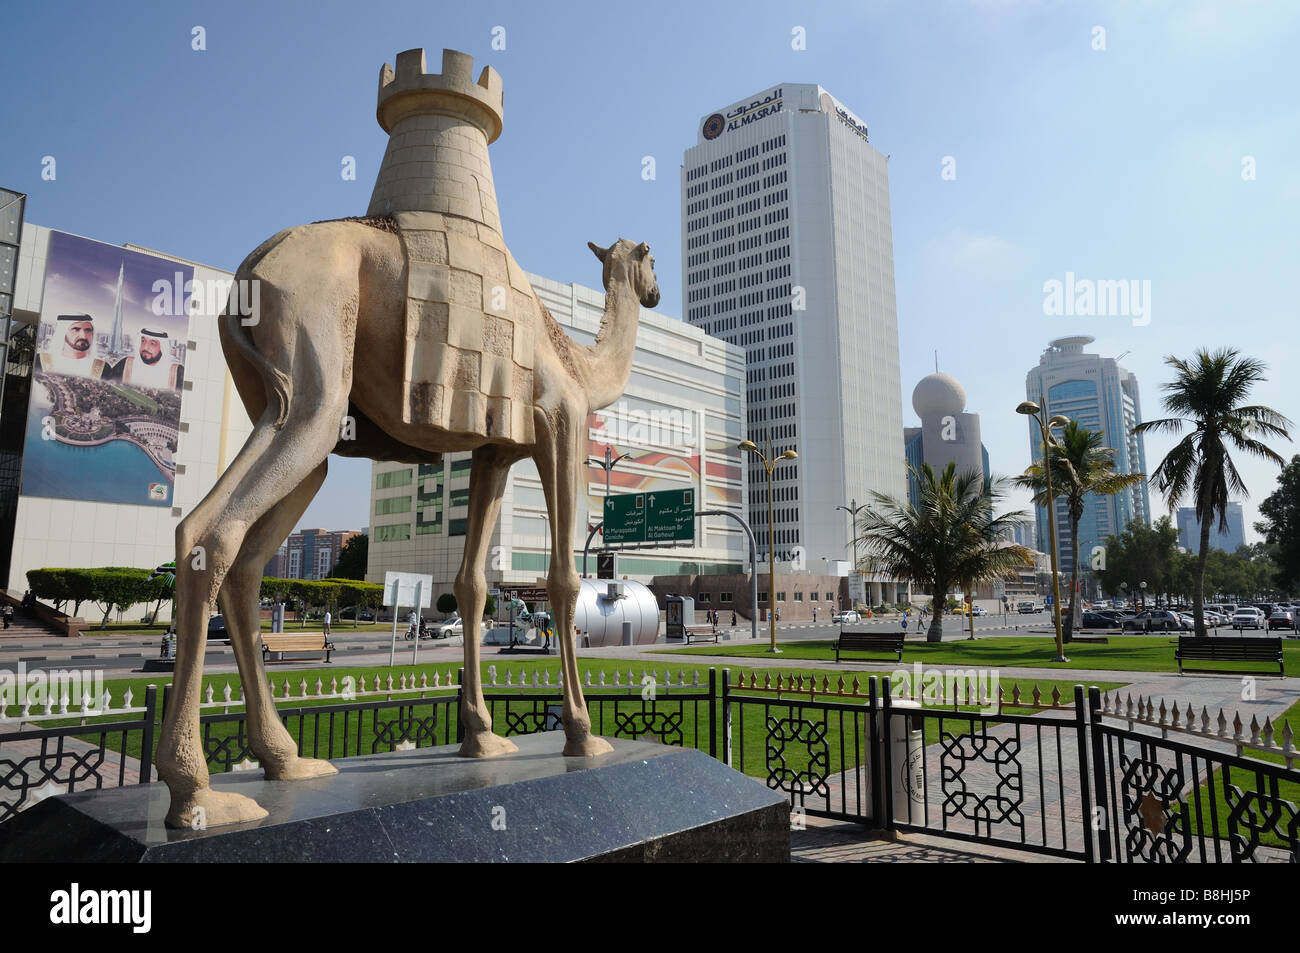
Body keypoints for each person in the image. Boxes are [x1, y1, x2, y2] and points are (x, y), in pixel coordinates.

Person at [40, 314, 106, 378]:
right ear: (63, 332)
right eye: (76, 329)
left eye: (88, 330)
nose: (83, 336)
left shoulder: (102, 368)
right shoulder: (41, 362)